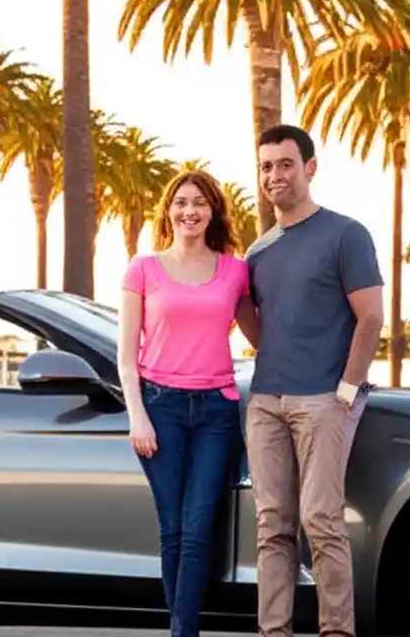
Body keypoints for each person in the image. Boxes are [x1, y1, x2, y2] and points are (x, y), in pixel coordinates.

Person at [244, 124, 385, 637]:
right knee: (271, 526)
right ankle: (273, 631)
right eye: (265, 166)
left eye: (285, 164)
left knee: (322, 522)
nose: (274, 175)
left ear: (309, 167)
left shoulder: (345, 234)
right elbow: (260, 326)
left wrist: (346, 391)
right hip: (266, 402)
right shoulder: (258, 252)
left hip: (324, 399)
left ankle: (336, 632)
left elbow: (371, 317)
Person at [118, 168, 261, 637]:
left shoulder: (235, 271)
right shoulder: (143, 270)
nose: (189, 210)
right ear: (168, 210)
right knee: (174, 529)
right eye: (180, 202)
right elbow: (126, 357)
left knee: (200, 528)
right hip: (160, 408)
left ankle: (184, 632)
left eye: (199, 202)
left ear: (213, 211)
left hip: (216, 411)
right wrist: (137, 416)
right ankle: (183, 630)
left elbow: (261, 336)